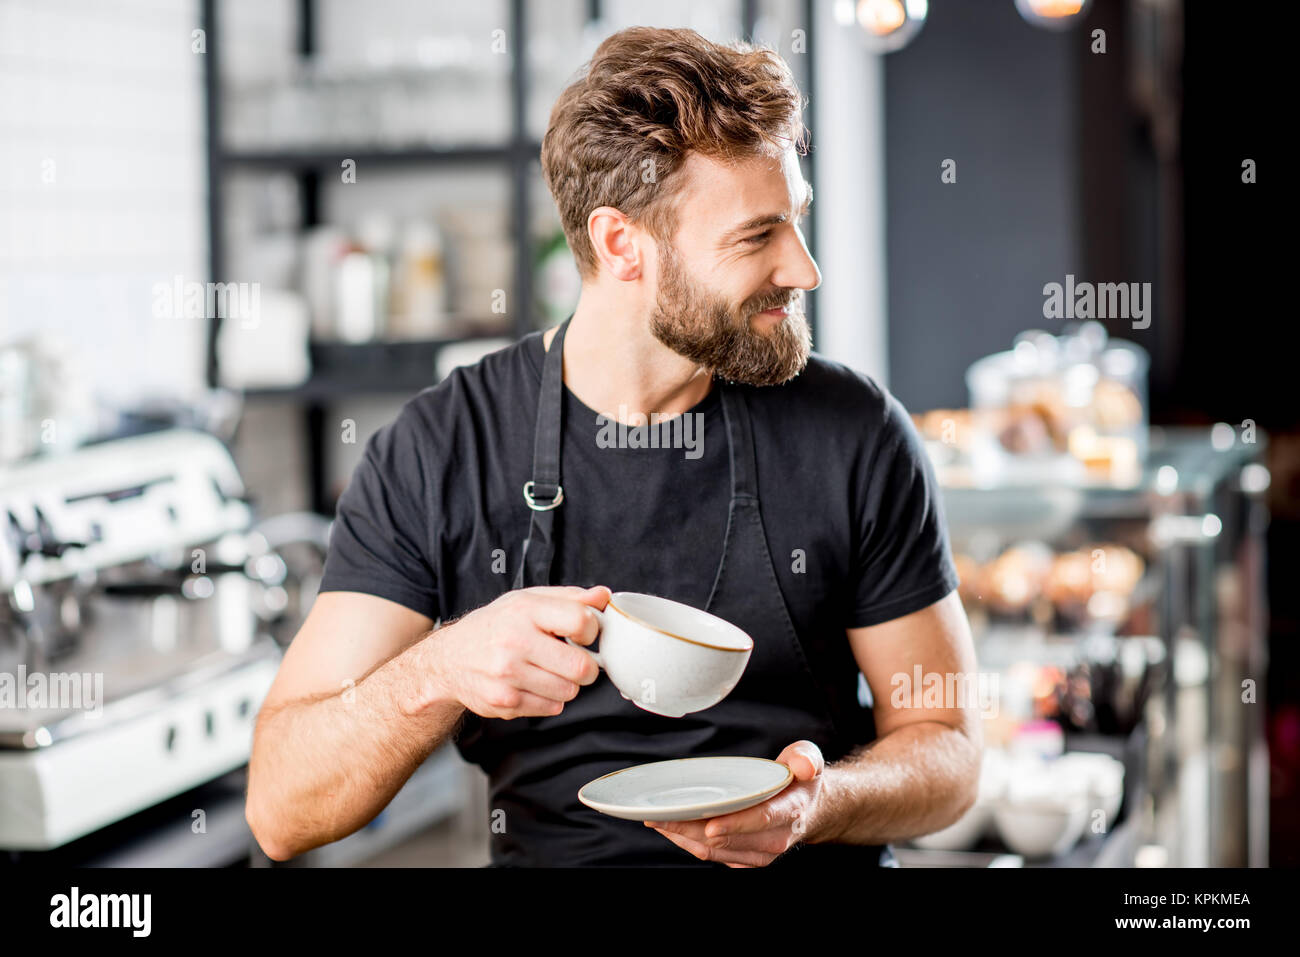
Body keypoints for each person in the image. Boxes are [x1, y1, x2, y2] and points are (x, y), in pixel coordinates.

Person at [246, 26, 982, 868]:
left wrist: (822, 803)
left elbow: (949, 749)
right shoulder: (437, 448)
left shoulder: (854, 430)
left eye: (798, 222)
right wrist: (439, 668)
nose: (805, 269)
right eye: (757, 236)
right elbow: (279, 807)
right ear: (621, 243)